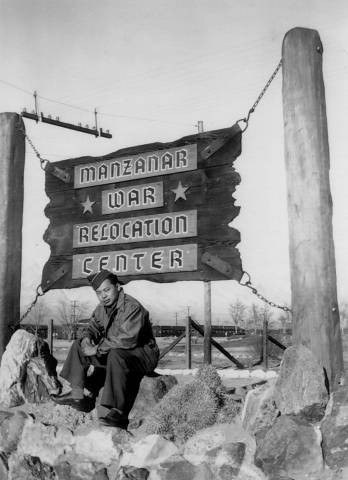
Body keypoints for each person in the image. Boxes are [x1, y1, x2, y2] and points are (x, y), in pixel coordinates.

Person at [52, 269, 159, 429]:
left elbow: (126, 340)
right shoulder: (102, 308)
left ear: (117, 286)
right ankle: (78, 395)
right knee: (78, 345)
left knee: (116, 354)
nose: (103, 296)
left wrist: (96, 349)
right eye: (99, 292)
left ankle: (118, 412)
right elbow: (93, 327)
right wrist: (87, 339)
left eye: (107, 290)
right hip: (116, 353)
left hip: (142, 356)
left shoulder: (132, 307)